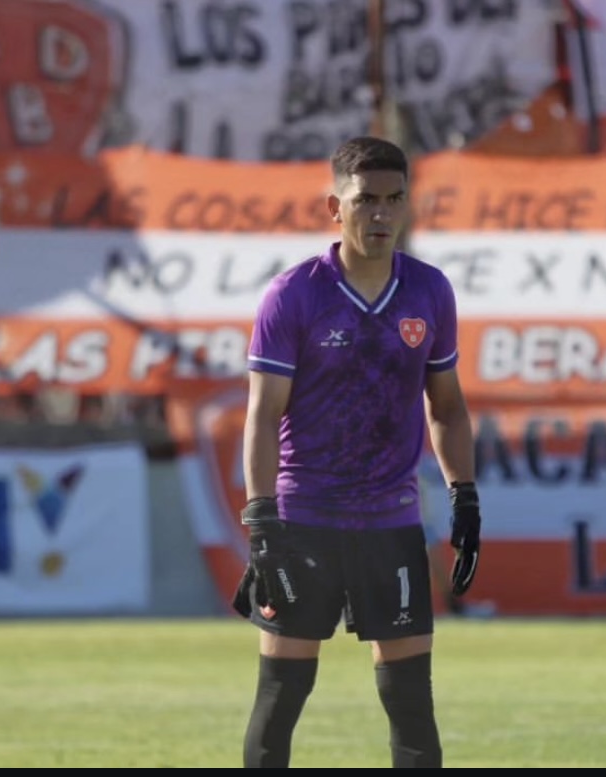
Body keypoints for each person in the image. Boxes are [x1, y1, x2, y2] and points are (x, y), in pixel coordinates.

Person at [231, 136, 482, 769]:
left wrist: (464, 496)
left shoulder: (429, 292)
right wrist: (262, 521)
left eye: (394, 199)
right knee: (282, 695)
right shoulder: (293, 296)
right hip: (303, 521)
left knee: (411, 704)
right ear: (333, 209)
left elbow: (446, 406)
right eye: (365, 199)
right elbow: (263, 417)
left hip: (391, 522)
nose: (381, 214)